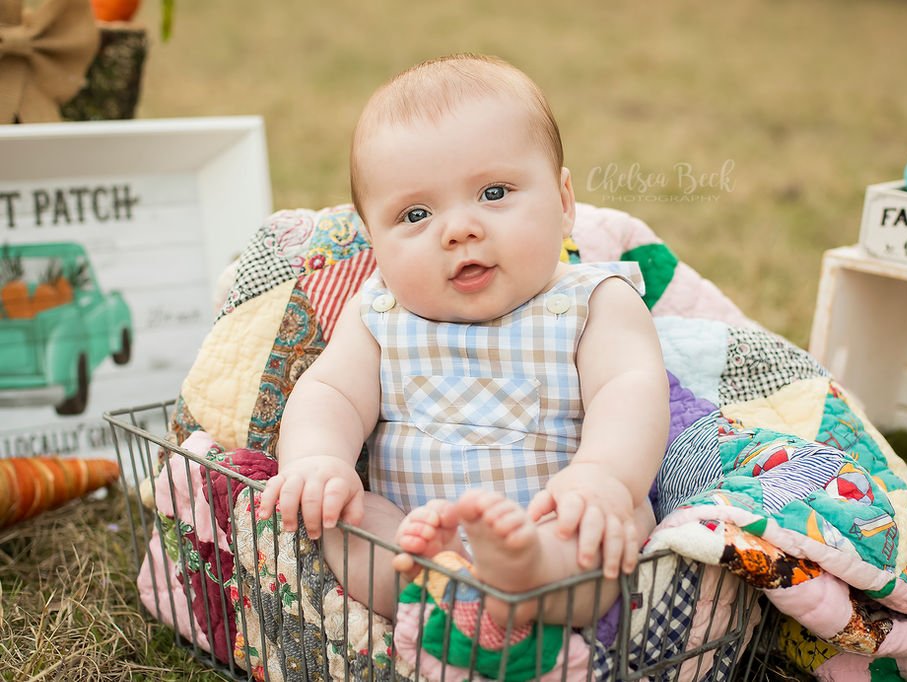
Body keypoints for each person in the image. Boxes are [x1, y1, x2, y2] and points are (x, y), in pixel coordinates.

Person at [257, 54, 669, 627]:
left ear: (564, 202)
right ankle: (428, 580)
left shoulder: (592, 301)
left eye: (495, 193)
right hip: (415, 527)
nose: (459, 229)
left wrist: (603, 475)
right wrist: (319, 459)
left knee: (606, 535)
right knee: (348, 524)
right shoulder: (379, 315)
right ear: (373, 241)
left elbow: (631, 389)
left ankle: (525, 572)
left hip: (556, 518)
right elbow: (329, 392)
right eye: (416, 213)